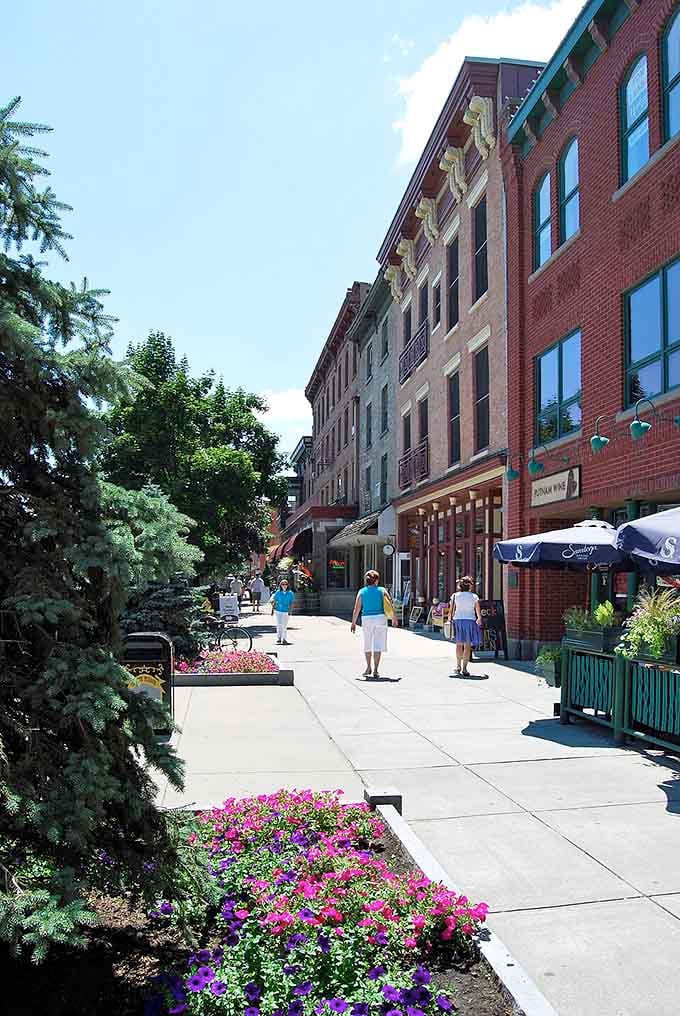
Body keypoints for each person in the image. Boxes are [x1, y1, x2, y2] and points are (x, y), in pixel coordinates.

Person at [351, 570, 398, 679]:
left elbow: (356, 608)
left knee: (367, 643)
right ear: (376, 580)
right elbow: (390, 604)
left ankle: (368, 667)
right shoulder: (382, 590)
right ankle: (376, 670)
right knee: (378, 644)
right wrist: (394, 618)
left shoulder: (362, 592)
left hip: (366, 619)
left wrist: (353, 623)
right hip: (380, 618)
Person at [448, 575, 482, 677]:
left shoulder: (455, 596)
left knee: (459, 645)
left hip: (458, 620)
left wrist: (449, 620)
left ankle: (458, 666)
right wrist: (479, 618)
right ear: (470, 586)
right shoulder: (474, 597)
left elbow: (451, 610)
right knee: (467, 646)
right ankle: (465, 668)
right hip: (470, 621)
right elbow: (477, 610)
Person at [271, 578, 295, 645]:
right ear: (280, 585)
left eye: (286, 584)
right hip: (278, 610)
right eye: (283, 584)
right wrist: (272, 610)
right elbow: (275, 601)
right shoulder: (278, 592)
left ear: (287, 585)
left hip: (286, 611)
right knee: (279, 624)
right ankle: (279, 638)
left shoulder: (290, 593)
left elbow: (292, 603)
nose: (284, 585)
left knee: (284, 625)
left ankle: (284, 639)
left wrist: (290, 611)